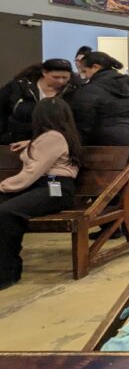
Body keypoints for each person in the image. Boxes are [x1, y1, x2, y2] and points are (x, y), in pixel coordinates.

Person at [0, 98, 81, 289]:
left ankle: (7, 271)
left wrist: (4, 185)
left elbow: (32, 172)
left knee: (6, 213)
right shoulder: (56, 136)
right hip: (48, 187)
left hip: (54, 189)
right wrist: (30, 143)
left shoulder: (52, 137)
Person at [69, 51, 129, 146]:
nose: (85, 76)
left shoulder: (91, 89)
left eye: (85, 71)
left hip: (106, 142)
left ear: (95, 67)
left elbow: (83, 123)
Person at [0, 59, 74, 144]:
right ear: (44, 72)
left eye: (65, 78)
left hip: (54, 142)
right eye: (56, 77)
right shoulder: (20, 86)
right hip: (17, 139)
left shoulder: (73, 90)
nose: (61, 81)